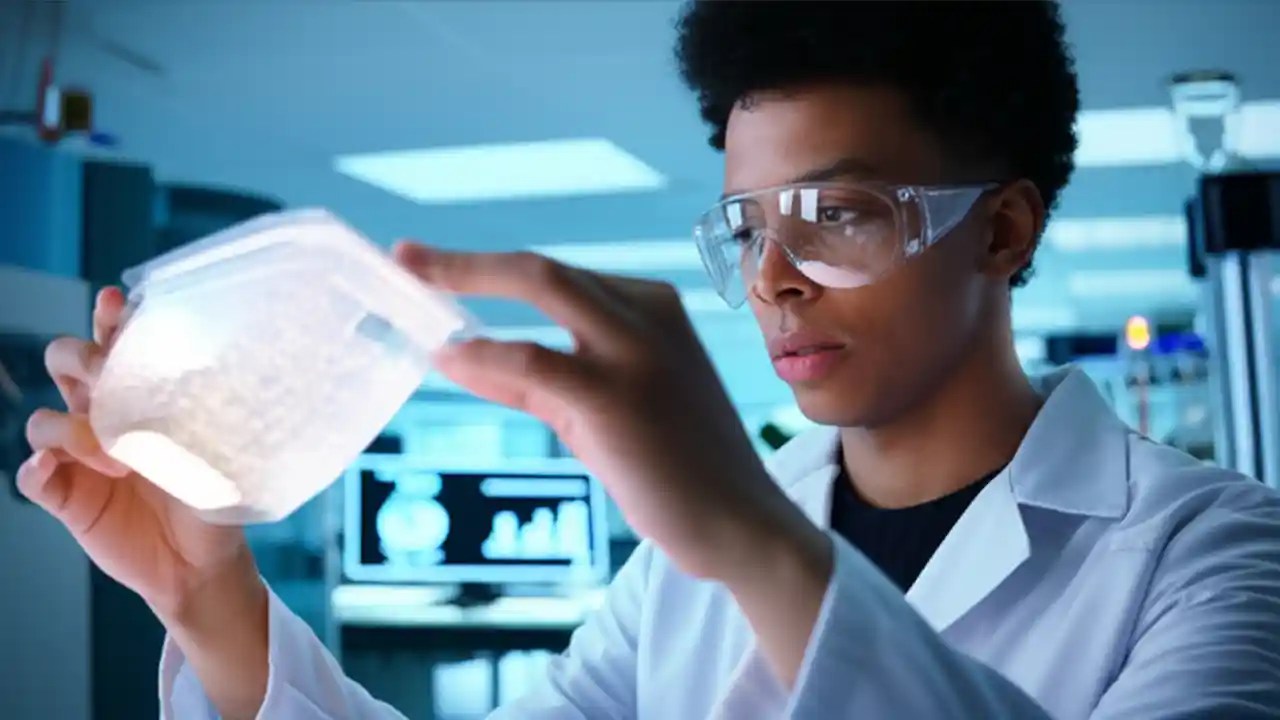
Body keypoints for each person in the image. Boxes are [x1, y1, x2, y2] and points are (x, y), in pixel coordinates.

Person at [19, 1, 1280, 718]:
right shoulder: (677, 576)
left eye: (837, 214)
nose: (772, 279)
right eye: (747, 227)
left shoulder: (1214, 554)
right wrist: (216, 611)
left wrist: (742, 531)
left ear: (999, 230)